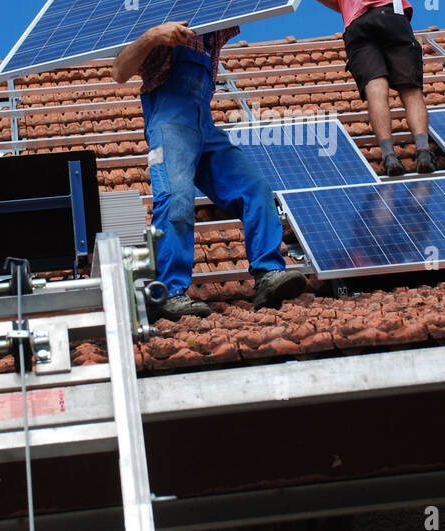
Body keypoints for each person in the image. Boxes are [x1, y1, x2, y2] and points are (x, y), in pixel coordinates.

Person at [113, 19, 307, 320]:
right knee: (176, 197)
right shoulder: (157, 20)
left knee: (255, 189)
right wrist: (152, 36)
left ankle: (268, 273)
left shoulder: (215, 24)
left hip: (204, 125)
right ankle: (168, 292)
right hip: (170, 121)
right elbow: (119, 71)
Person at [310, 0, 433, 176]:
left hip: (356, 24)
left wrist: (346, 6)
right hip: (390, 14)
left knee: (376, 88)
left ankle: (388, 155)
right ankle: (423, 150)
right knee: (409, 87)